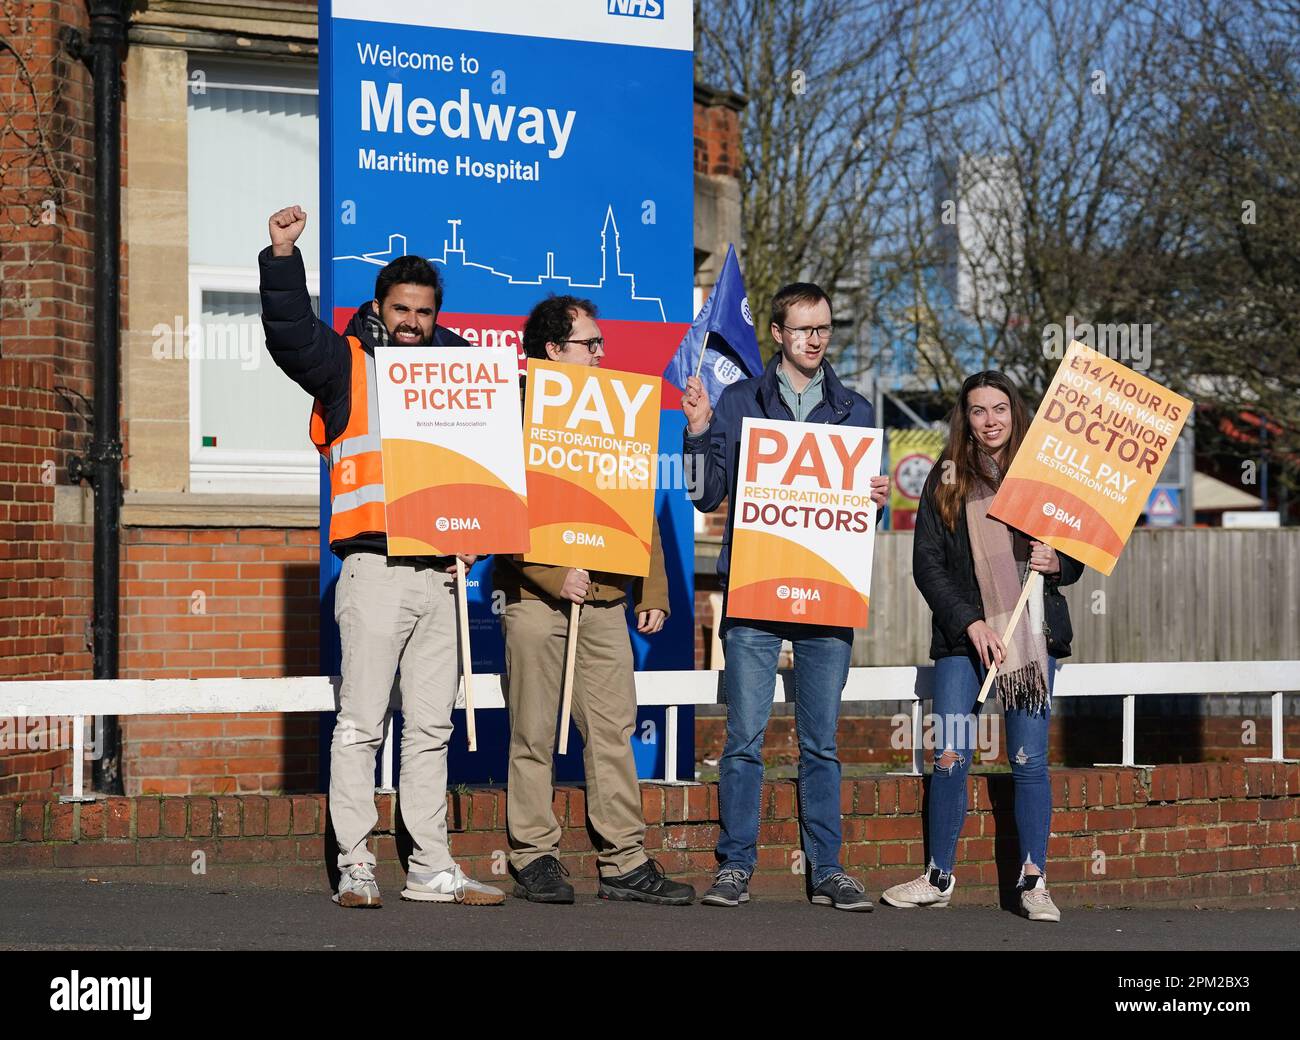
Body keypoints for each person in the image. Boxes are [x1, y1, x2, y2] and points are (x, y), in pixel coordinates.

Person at [260, 204, 503, 908]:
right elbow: (289, 337)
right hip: (372, 571)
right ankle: (356, 864)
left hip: (442, 576)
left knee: (431, 728)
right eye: (401, 308)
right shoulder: (345, 362)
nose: (413, 322)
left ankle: (430, 868)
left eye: (424, 311)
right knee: (362, 723)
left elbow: (487, 472)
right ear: (379, 307)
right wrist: (281, 261)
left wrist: (480, 531)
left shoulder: (463, 374)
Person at [681, 282, 890, 911]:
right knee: (743, 738)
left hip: (825, 597)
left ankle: (827, 868)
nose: (815, 339)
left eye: (823, 328)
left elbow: (860, 528)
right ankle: (735, 866)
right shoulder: (738, 400)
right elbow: (703, 495)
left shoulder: (854, 410)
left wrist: (875, 507)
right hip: (753, 594)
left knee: (821, 742)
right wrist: (696, 433)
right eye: (802, 329)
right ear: (777, 333)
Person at [494, 295, 695, 906]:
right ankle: (534, 855)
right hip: (533, 601)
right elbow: (498, 511)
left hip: (607, 600)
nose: (604, 353)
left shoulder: (617, 411)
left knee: (613, 730)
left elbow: (640, 502)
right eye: (591, 344)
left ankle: (624, 861)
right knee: (532, 731)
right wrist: (554, 575)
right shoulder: (515, 413)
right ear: (554, 350)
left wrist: (652, 587)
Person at [881, 370, 1083, 922]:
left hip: (1031, 639)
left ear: (1015, 413)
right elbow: (928, 566)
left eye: (999, 408)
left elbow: (1075, 556)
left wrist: (1057, 562)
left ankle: (1034, 880)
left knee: (1028, 760)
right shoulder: (945, 479)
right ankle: (937, 876)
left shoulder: (1042, 479)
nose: (990, 420)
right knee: (949, 755)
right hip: (960, 644)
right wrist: (971, 623)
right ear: (964, 418)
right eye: (978, 410)